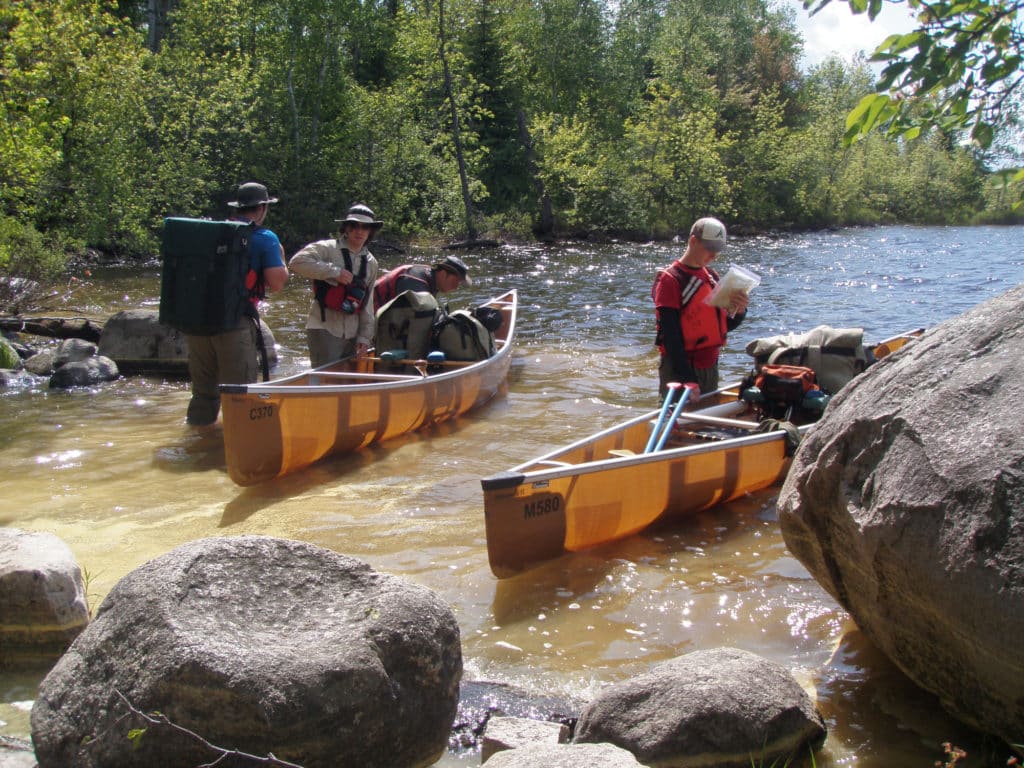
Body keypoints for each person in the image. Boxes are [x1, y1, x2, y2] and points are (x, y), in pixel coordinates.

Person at [185, 181, 288, 426]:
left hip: (197, 322)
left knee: (203, 395)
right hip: (235, 323)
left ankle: (198, 444)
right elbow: (276, 283)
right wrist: (281, 258)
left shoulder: (212, 232)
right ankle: (239, 453)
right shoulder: (265, 238)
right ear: (262, 208)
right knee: (241, 396)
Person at [652, 216, 749, 400]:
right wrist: (688, 378)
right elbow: (671, 336)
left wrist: (740, 311)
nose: (713, 256)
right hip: (679, 370)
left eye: (717, 250)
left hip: (709, 366)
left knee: (704, 422)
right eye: (710, 249)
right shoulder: (670, 279)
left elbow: (722, 326)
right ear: (693, 241)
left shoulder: (711, 276)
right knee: (675, 423)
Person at [289, 203, 382, 367]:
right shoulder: (327, 248)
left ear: (370, 231)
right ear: (346, 227)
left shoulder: (371, 262)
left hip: (353, 333)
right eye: (354, 226)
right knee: (325, 382)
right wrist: (334, 272)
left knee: (346, 384)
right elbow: (297, 262)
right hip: (325, 328)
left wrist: (364, 337)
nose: (359, 231)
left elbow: (367, 303)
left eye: (365, 227)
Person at [372, 255, 472, 309]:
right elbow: (414, 317)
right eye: (456, 281)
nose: (456, 287)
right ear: (443, 274)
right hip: (367, 319)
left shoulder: (431, 279)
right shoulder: (415, 281)